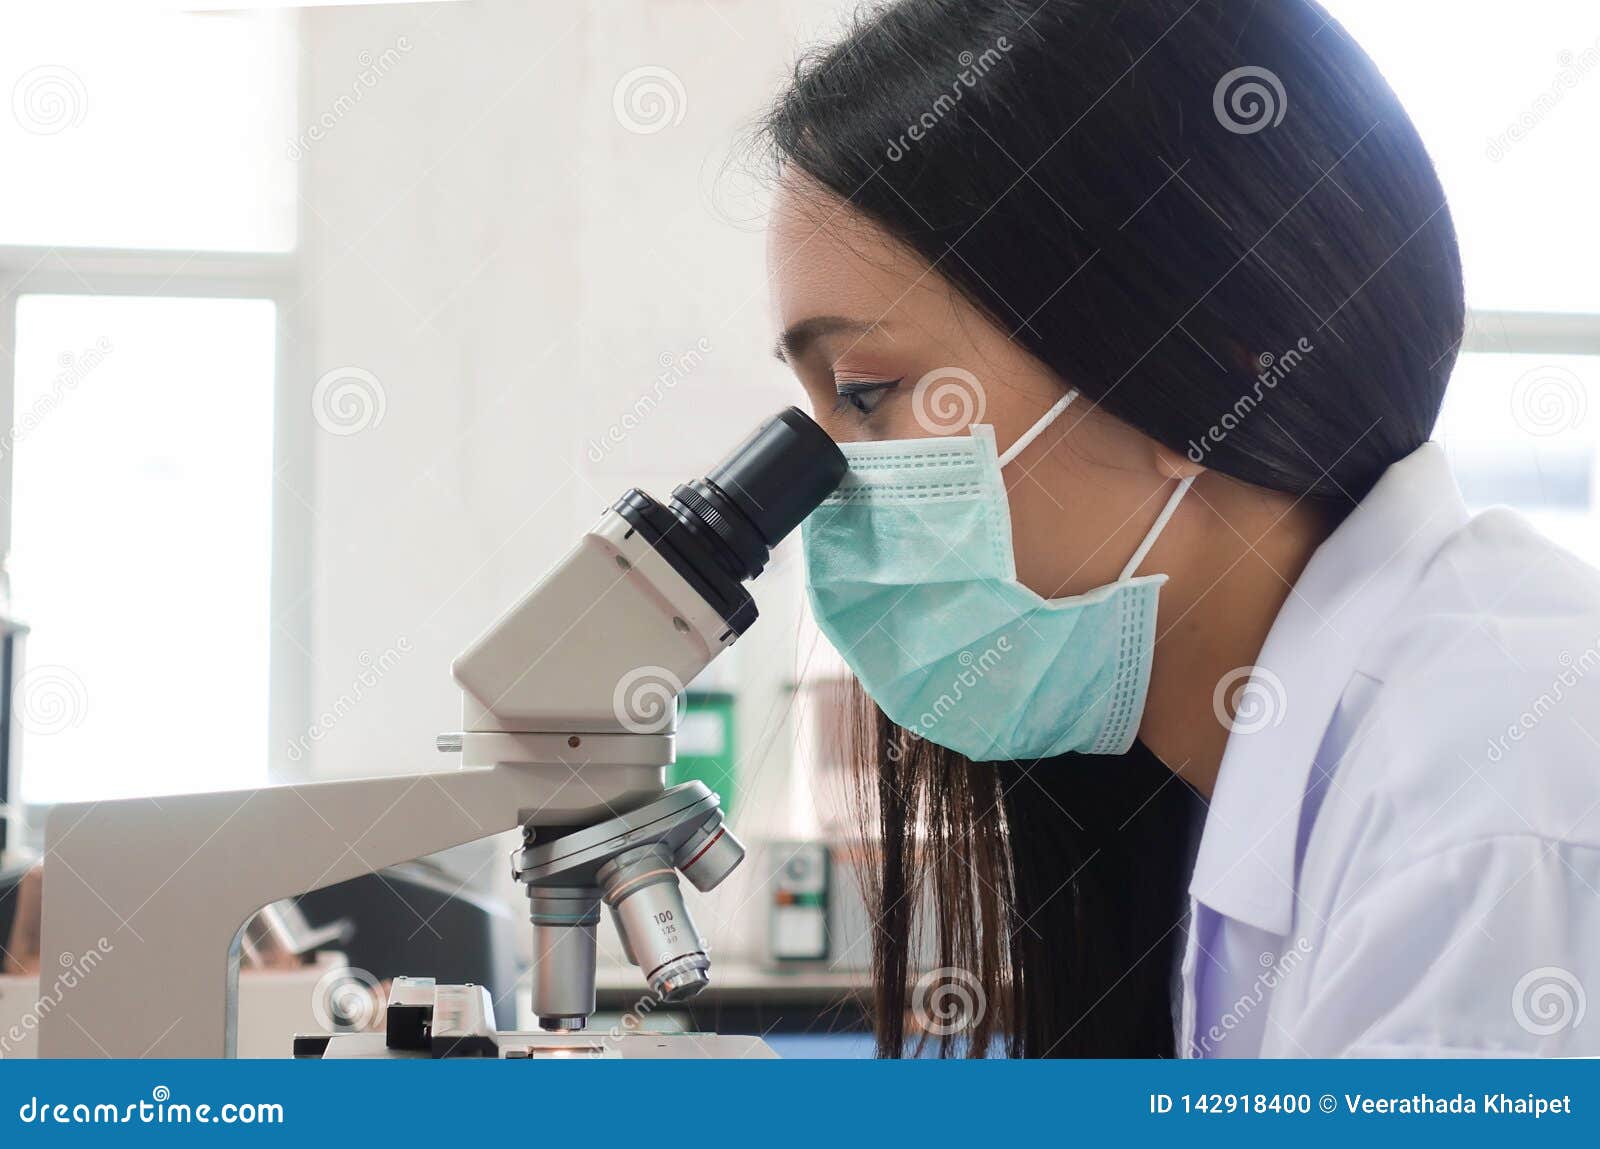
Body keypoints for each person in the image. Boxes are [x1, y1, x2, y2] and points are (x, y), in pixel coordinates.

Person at [760, 0, 1600, 1057]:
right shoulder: (1230, 781)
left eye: (869, 390)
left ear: (1207, 366)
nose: (822, 482)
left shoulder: (1494, 803)